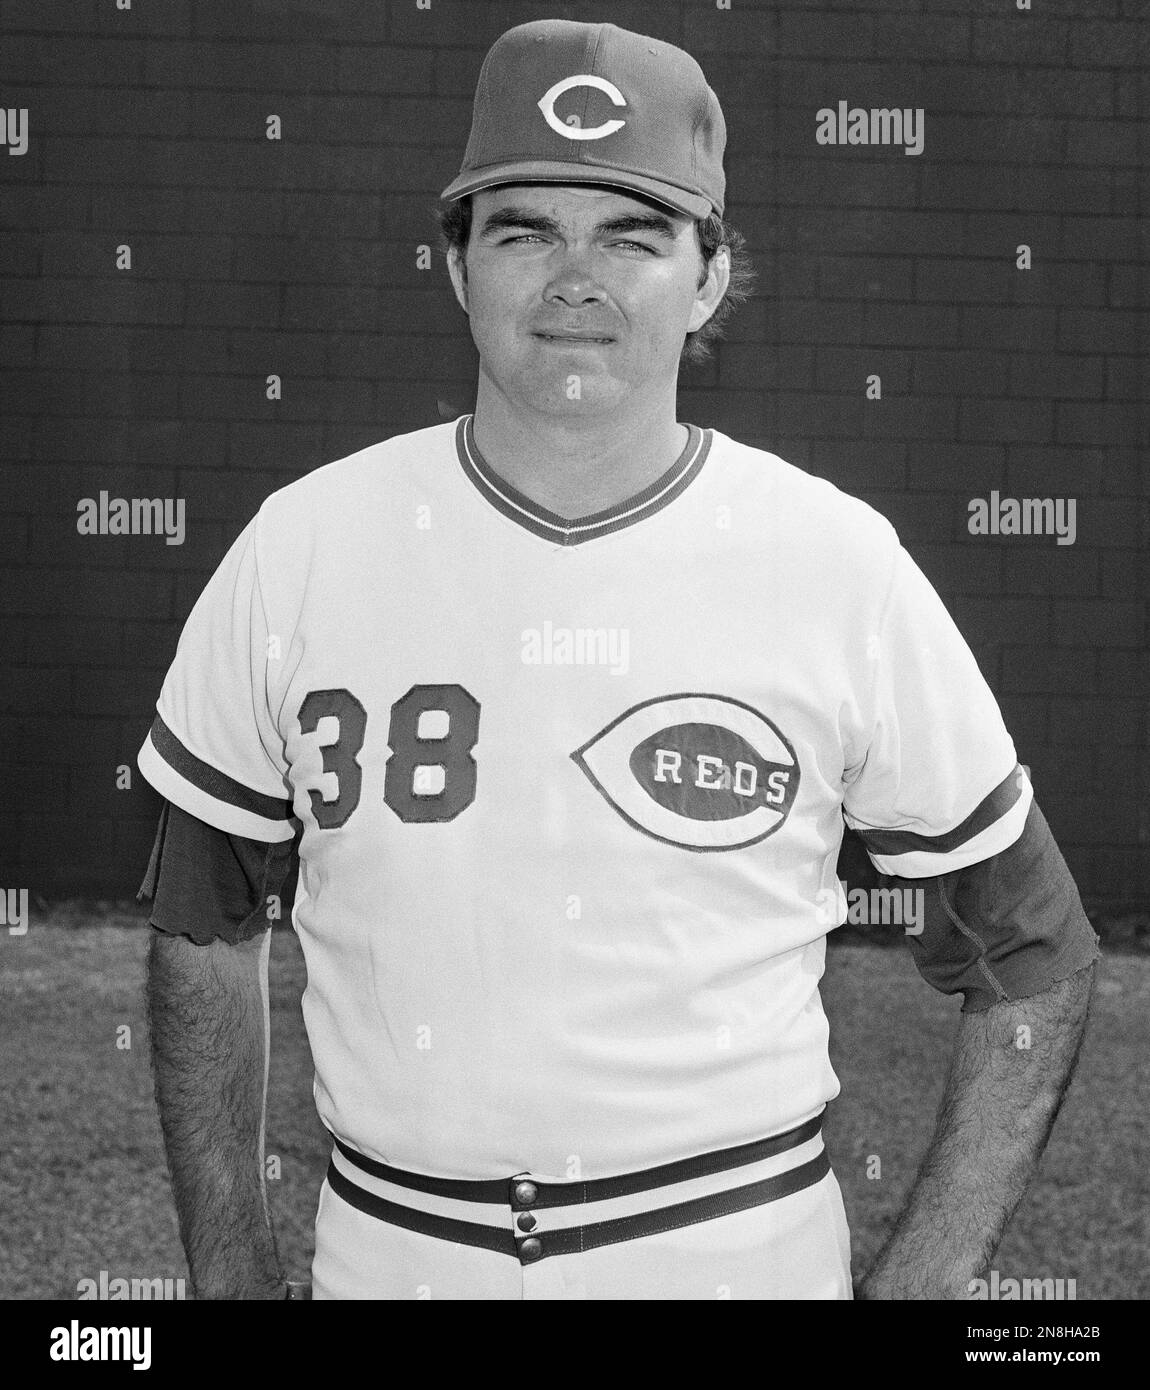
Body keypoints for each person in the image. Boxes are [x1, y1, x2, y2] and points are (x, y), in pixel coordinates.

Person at [138, 19, 1098, 1301]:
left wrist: (921, 1284)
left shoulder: (832, 561)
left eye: (633, 237)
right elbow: (202, 933)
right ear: (456, 266)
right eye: (524, 231)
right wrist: (229, 1278)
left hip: (736, 1253)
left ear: (707, 277)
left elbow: (1032, 952)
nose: (574, 279)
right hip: (396, 1254)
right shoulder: (300, 547)